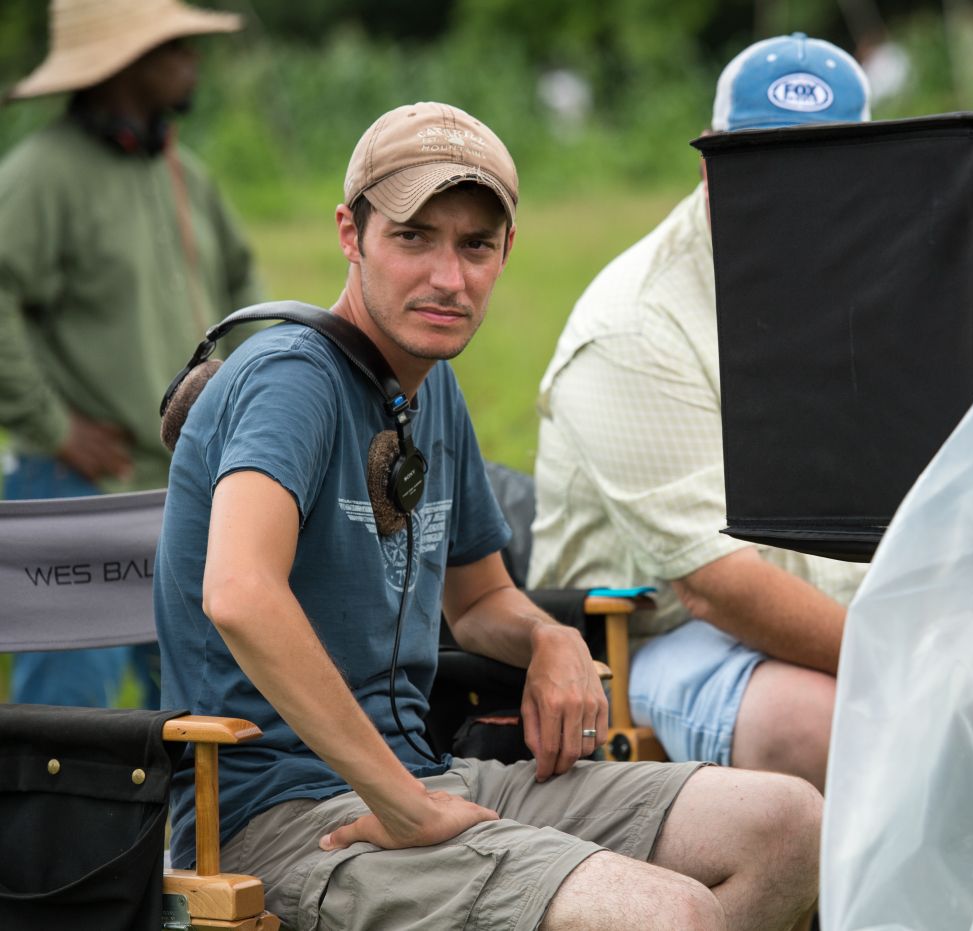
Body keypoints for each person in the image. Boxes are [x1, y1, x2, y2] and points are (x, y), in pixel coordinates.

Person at [154, 101, 821, 931]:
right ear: (349, 233)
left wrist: (549, 638)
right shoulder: (293, 376)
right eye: (414, 237)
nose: (448, 277)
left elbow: (475, 603)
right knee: (669, 914)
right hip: (286, 823)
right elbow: (239, 591)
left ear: (507, 250)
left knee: (792, 827)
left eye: (475, 245)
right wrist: (402, 805)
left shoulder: (432, 391)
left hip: (434, 777)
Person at [529, 34, 871, 791]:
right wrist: (906, 658)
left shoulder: (885, 284)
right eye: (761, 165)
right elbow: (716, 584)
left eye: (825, 166)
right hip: (654, 633)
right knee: (823, 723)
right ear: (710, 159)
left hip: (842, 603)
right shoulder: (633, 323)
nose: (791, 192)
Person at [0, 0, 258, 708]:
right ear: (123, 65)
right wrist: (53, 427)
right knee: (65, 730)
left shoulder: (183, 170)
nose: (192, 60)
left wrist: (254, 394)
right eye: (174, 46)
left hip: (184, 489)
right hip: (78, 493)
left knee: (196, 724)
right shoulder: (40, 176)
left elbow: (242, 278)